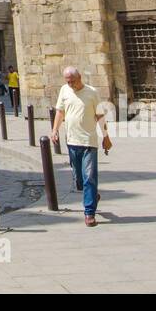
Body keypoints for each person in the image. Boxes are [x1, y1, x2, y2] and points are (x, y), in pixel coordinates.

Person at [51, 67, 112, 227]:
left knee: (89, 177)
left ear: (79, 78)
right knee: (79, 179)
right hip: (71, 141)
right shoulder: (64, 90)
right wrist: (55, 130)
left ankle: (89, 213)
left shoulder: (92, 93)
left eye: (73, 81)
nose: (70, 84)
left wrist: (106, 137)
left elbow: (100, 116)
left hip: (89, 142)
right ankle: (93, 195)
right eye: (68, 81)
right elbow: (60, 112)